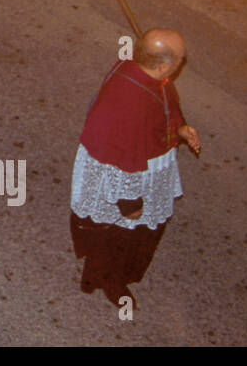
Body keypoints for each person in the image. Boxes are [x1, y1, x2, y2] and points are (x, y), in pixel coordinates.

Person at [70, 29, 202, 309]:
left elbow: (160, 111)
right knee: (120, 235)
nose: (183, 61)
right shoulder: (128, 103)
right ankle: (108, 280)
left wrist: (180, 129)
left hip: (145, 160)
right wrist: (130, 203)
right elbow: (119, 155)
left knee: (125, 235)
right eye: (181, 58)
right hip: (127, 178)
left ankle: (105, 275)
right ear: (163, 65)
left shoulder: (146, 72)